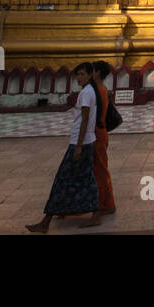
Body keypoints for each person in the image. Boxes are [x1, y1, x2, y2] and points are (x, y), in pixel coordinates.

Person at [26, 62, 102, 232]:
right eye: (78, 74)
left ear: (90, 75)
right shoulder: (89, 92)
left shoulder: (86, 93)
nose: (79, 78)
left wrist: (79, 146)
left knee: (63, 179)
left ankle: (46, 221)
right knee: (85, 178)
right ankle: (91, 213)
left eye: (83, 74)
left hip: (80, 143)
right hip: (85, 141)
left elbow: (84, 120)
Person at [91, 59, 117, 216]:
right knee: (97, 169)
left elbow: (90, 118)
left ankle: (104, 204)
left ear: (98, 73)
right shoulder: (99, 90)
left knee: (99, 169)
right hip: (98, 133)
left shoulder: (97, 91)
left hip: (95, 134)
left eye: (90, 71)